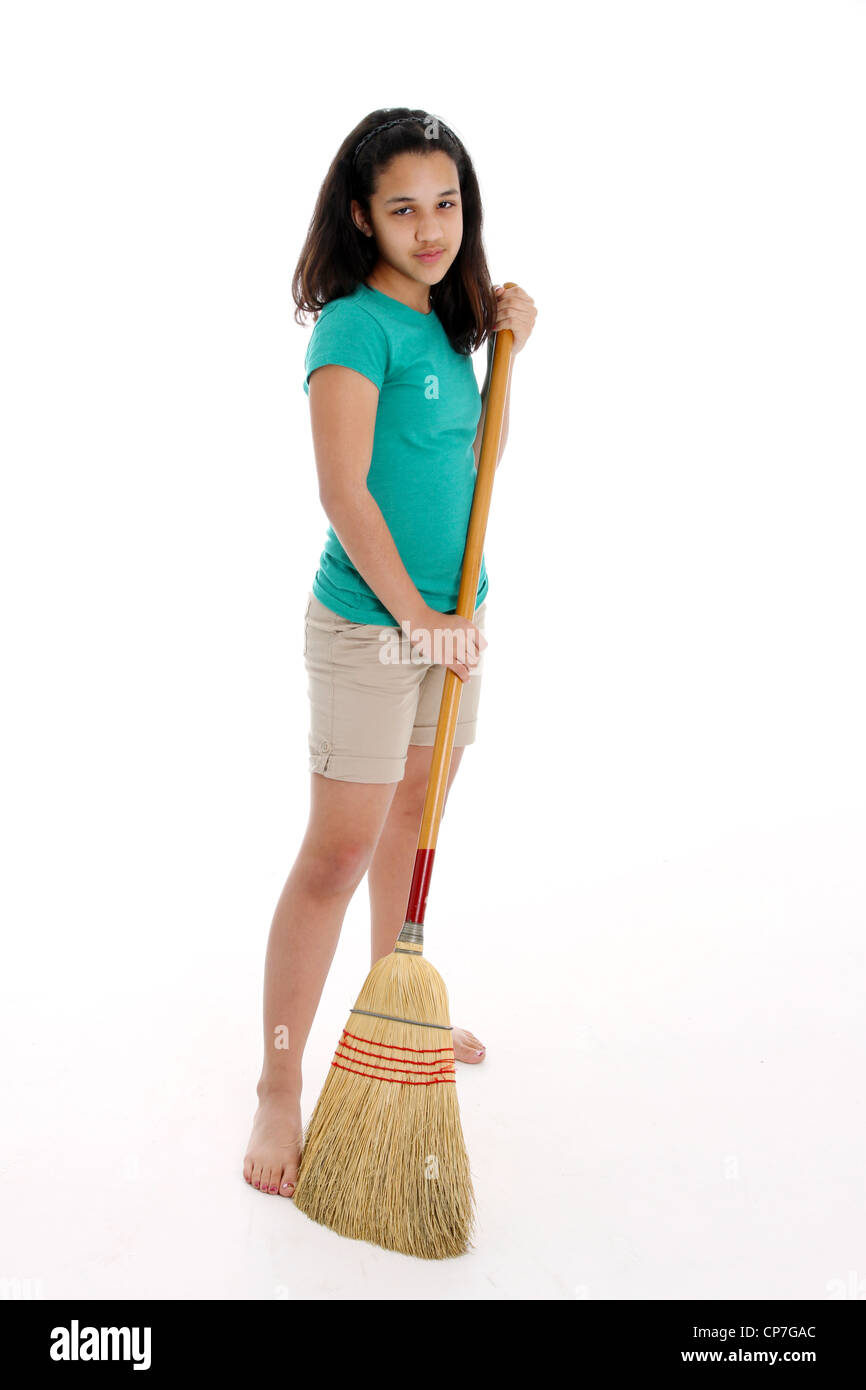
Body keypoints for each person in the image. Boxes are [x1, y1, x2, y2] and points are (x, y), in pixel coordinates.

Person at [243, 107, 537, 1198]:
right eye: (403, 207)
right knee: (336, 852)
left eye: (446, 203)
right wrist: (417, 618)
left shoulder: (449, 331)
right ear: (360, 214)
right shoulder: (351, 327)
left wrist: (508, 349)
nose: (429, 227)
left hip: (448, 622)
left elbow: (474, 461)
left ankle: (389, 1016)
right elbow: (343, 492)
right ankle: (278, 1084)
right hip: (374, 630)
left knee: (413, 825)